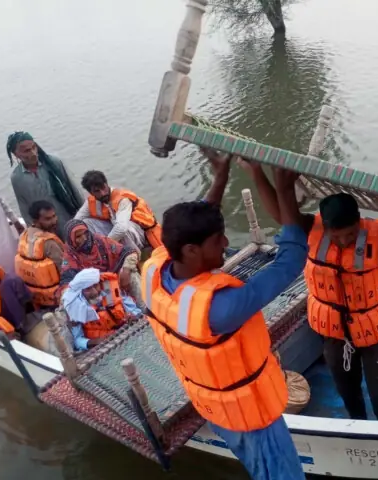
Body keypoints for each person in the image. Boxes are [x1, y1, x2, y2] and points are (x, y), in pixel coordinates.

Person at [141, 149, 307, 480]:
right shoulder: (221, 308)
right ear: (191, 250)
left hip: (213, 406)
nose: (227, 243)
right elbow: (291, 261)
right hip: (253, 417)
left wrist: (220, 177)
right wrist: (285, 192)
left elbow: (192, 226)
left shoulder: (154, 269)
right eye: (219, 241)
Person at [242, 160, 378, 421]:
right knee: (347, 390)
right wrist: (262, 176)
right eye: (335, 235)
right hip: (335, 333)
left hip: (373, 333)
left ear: (359, 223)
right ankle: (358, 424)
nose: (343, 241)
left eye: (349, 234)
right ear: (325, 227)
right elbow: (282, 215)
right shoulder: (312, 229)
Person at [7, 131, 85, 238]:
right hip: (46, 228)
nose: (33, 153)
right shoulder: (17, 178)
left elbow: (74, 190)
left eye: (34, 147)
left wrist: (84, 215)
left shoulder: (54, 162)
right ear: (16, 154)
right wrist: (35, 233)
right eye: (27, 151)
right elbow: (24, 207)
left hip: (69, 218)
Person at [75, 169, 163, 256]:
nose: (102, 193)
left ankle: (132, 257)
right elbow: (76, 221)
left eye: (103, 188)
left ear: (106, 184)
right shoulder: (91, 201)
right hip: (115, 232)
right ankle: (91, 252)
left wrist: (105, 246)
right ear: (91, 193)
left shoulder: (122, 199)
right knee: (86, 223)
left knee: (123, 230)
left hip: (139, 234)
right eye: (97, 191)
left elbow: (121, 228)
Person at [61, 219, 144, 309]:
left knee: (132, 274)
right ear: (71, 240)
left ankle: (146, 308)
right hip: (95, 291)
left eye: (85, 233)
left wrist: (126, 270)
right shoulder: (70, 256)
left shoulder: (100, 241)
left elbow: (129, 252)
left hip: (116, 279)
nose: (84, 238)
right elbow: (67, 282)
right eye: (78, 236)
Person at [62, 267, 141, 351]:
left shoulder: (112, 291)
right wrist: (95, 342)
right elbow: (77, 341)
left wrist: (133, 317)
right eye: (88, 289)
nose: (95, 292)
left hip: (127, 336)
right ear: (80, 293)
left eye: (96, 286)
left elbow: (136, 312)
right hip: (104, 349)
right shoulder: (75, 309)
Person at [15, 200, 65, 310]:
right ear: (35, 221)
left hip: (36, 297)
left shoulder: (24, 235)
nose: (54, 221)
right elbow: (66, 271)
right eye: (48, 219)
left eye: (54, 216)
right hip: (57, 298)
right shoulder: (49, 243)